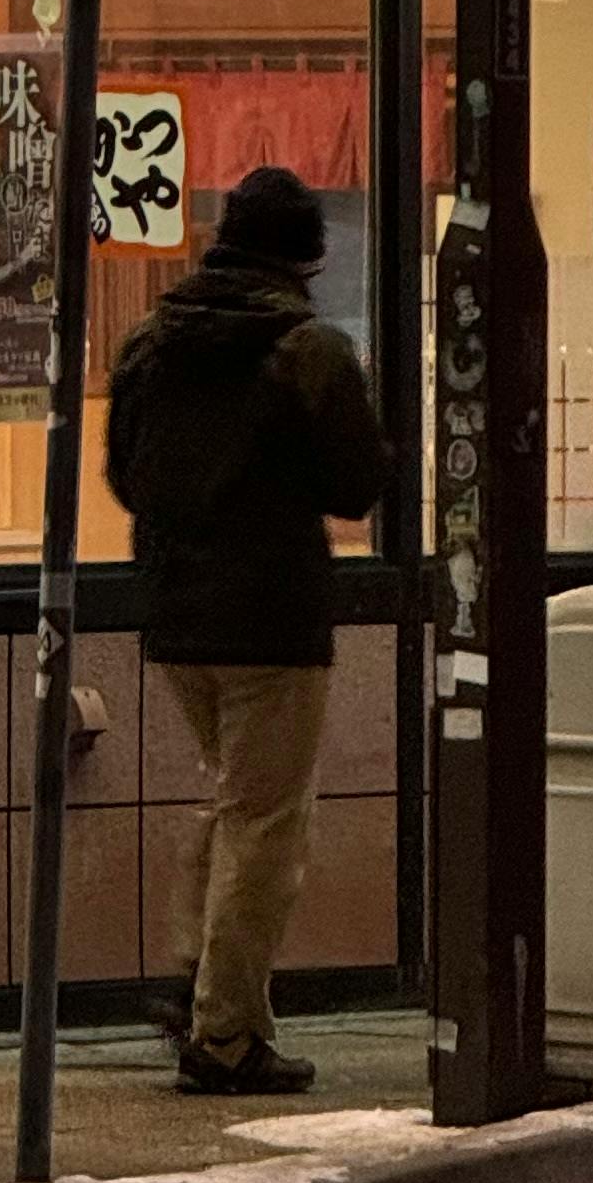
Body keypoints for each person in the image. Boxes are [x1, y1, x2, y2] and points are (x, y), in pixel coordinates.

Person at [104, 164, 397, 1098]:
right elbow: (359, 484)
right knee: (267, 824)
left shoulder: (151, 340)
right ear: (306, 255)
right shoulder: (310, 350)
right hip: (272, 617)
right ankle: (222, 1032)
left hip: (178, 615)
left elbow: (123, 474)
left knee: (238, 805)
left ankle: (206, 986)